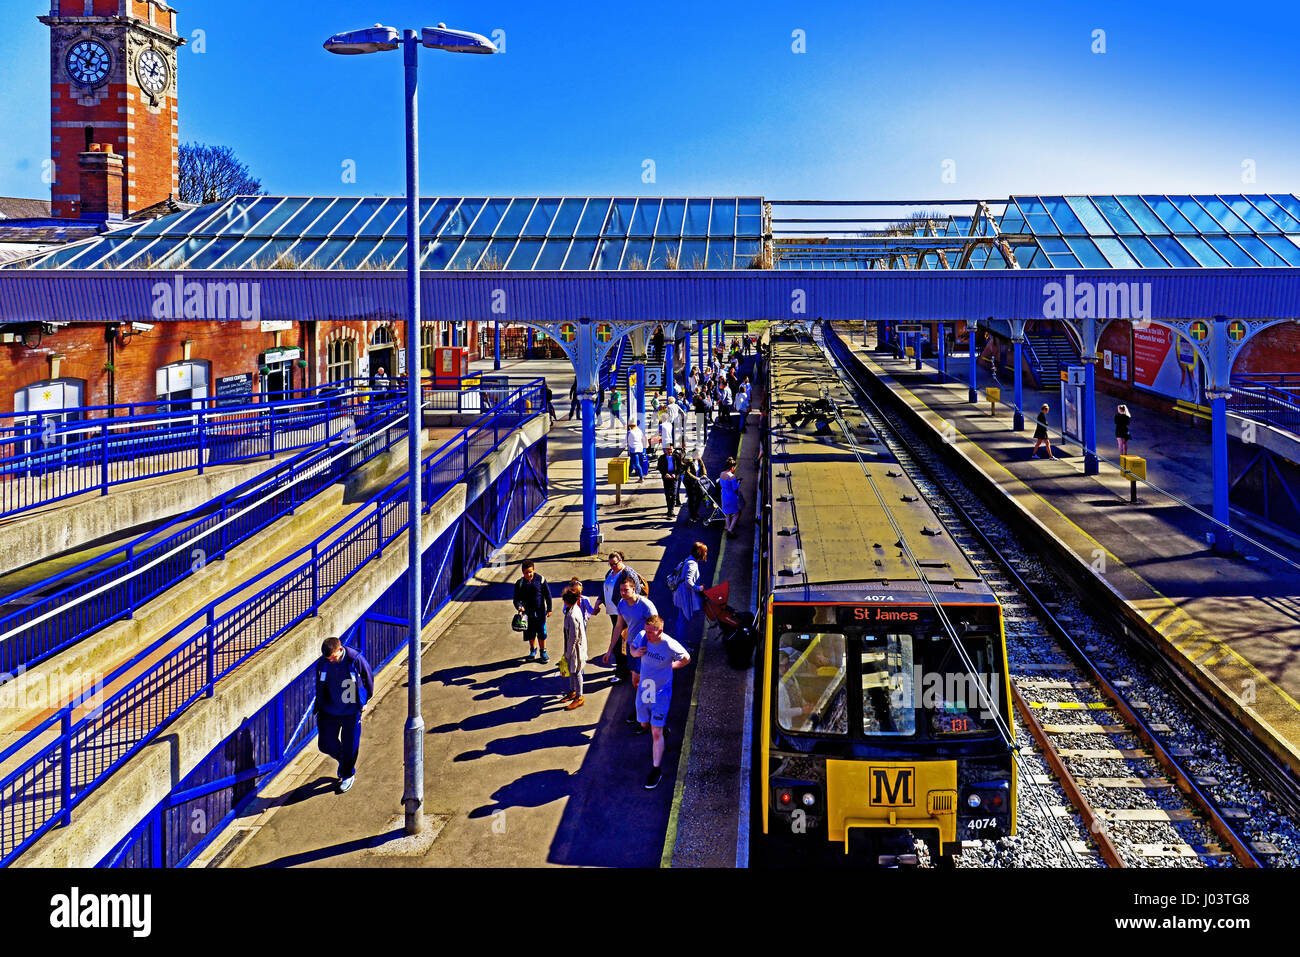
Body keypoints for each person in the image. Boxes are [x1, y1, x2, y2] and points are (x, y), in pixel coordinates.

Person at [630, 615, 690, 789]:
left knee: (655, 732)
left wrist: (672, 666)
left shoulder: (669, 644)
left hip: (662, 692)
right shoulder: (642, 636)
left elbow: (686, 658)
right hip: (646, 688)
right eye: (646, 631)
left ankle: (656, 770)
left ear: (660, 631)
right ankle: (661, 729)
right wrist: (635, 652)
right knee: (643, 724)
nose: (647, 635)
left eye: (651, 632)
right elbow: (632, 647)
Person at [313, 635, 374, 794]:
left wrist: (365, 700)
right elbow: (320, 684)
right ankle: (345, 762)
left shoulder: (355, 659)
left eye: (333, 658)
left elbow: (368, 678)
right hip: (329, 710)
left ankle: (348, 774)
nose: (331, 661)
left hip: (351, 711)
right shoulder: (323, 663)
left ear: (340, 650)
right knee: (325, 744)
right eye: (328, 659)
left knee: (350, 745)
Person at [606, 576, 657, 724]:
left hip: (645, 648)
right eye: (621, 590)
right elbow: (618, 627)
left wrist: (652, 648)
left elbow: (657, 628)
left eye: (625, 589)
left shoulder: (646, 606)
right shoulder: (622, 604)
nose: (622, 592)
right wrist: (610, 650)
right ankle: (642, 708)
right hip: (631, 647)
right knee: (636, 682)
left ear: (634, 589)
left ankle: (647, 714)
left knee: (641, 680)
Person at [603, 552, 644, 683]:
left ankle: (621, 673)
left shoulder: (628, 574)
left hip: (624, 614)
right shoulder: (610, 573)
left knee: (621, 644)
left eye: (615, 564)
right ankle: (624, 667)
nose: (612, 567)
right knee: (619, 641)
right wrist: (599, 601)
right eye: (610, 564)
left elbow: (636, 592)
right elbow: (605, 589)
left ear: (621, 560)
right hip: (613, 612)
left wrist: (629, 610)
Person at [513, 559, 553, 662]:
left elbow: (547, 596)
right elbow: (516, 599)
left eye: (530, 572)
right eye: (526, 573)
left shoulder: (541, 580)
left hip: (540, 614)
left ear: (534, 570)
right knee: (530, 633)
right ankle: (533, 650)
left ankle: (543, 651)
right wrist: (519, 606)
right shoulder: (520, 583)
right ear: (523, 573)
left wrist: (549, 609)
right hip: (527, 615)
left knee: (542, 633)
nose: (529, 574)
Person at [670, 542, 708, 644]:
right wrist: (698, 588)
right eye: (705, 552)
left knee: (681, 620)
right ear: (700, 553)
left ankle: (679, 640)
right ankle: (681, 645)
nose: (706, 554)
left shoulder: (689, 559)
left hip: (680, 594)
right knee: (684, 621)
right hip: (684, 596)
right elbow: (688, 582)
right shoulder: (693, 564)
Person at [560, 588, 587, 710]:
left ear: (567, 601)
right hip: (572, 647)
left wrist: (568, 653)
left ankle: (579, 697)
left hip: (575, 649)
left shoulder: (572, 615)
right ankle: (572, 692)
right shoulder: (573, 609)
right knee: (571, 670)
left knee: (576, 672)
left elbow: (573, 637)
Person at [657, 445, 681, 519]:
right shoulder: (662, 458)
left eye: (671, 449)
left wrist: (675, 475)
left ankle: (672, 510)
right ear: (665, 450)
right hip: (666, 477)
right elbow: (660, 467)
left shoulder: (676, 457)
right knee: (667, 494)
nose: (669, 451)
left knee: (674, 494)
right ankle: (669, 510)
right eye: (668, 450)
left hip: (674, 477)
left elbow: (680, 468)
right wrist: (665, 474)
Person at [719, 457, 741, 538]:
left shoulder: (721, 474)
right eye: (734, 467)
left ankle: (728, 528)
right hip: (731, 497)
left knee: (727, 514)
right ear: (732, 467)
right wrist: (738, 482)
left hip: (724, 495)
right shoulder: (732, 476)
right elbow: (735, 488)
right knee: (737, 513)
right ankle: (730, 530)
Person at [682, 454, 708, 521]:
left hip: (697, 482)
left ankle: (695, 512)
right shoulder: (689, 462)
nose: (698, 456)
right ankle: (692, 515)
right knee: (691, 499)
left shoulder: (699, 460)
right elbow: (688, 473)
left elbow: (703, 467)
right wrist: (696, 478)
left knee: (699, 497)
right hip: (689, 483)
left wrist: (704, 474)